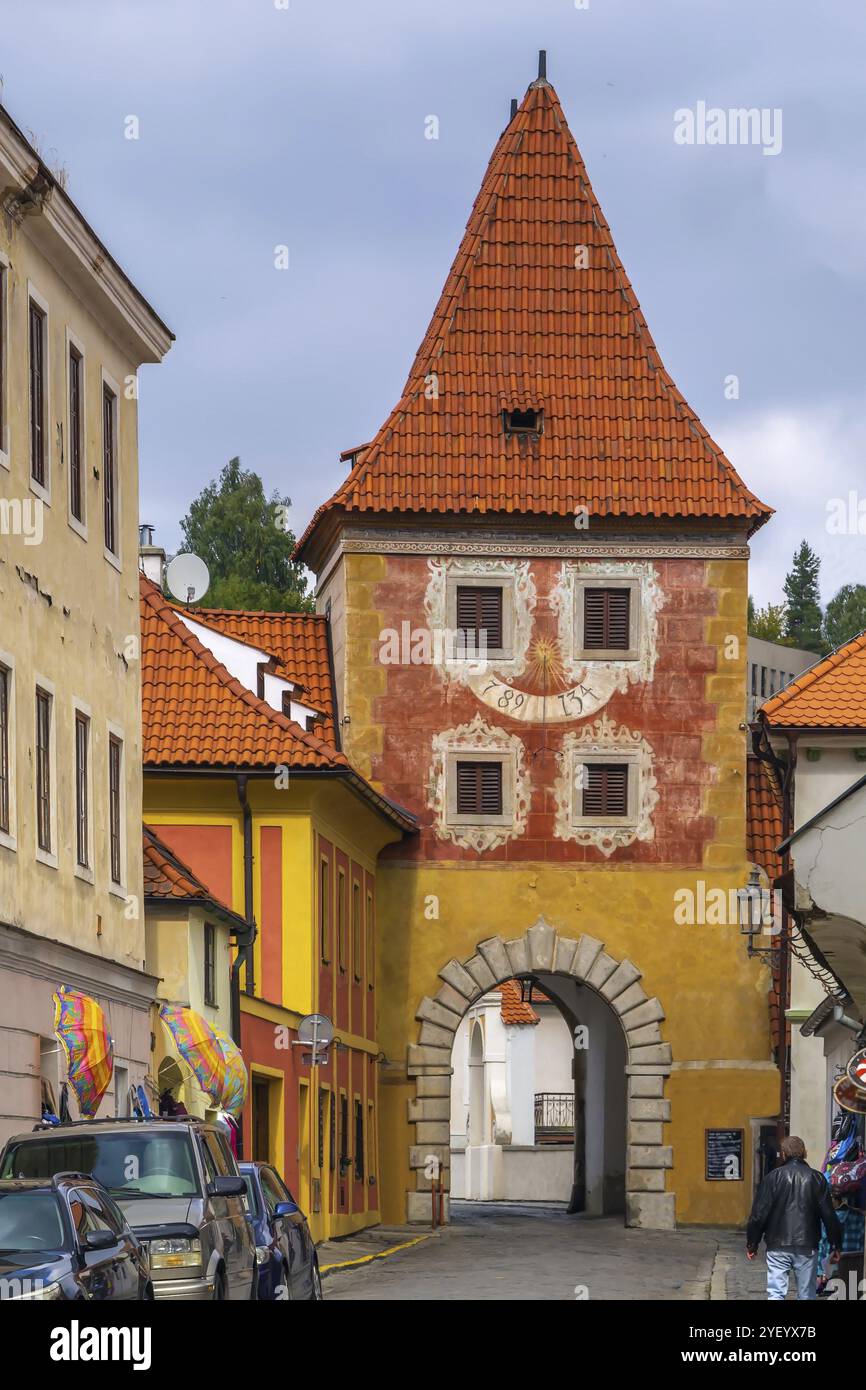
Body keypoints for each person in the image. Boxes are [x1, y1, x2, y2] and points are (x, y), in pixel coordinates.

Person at [746, 1134, 842, 1300]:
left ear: (784, 1154)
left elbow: (759, 1214)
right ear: (804, 1152)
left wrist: (752, 1243)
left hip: (777, 1243)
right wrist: (836, 1244)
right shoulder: (817, 1178)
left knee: (776, 1293)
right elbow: (828, 1214)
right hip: (807, 1243)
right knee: (806, 1294)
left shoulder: (772, 1178)